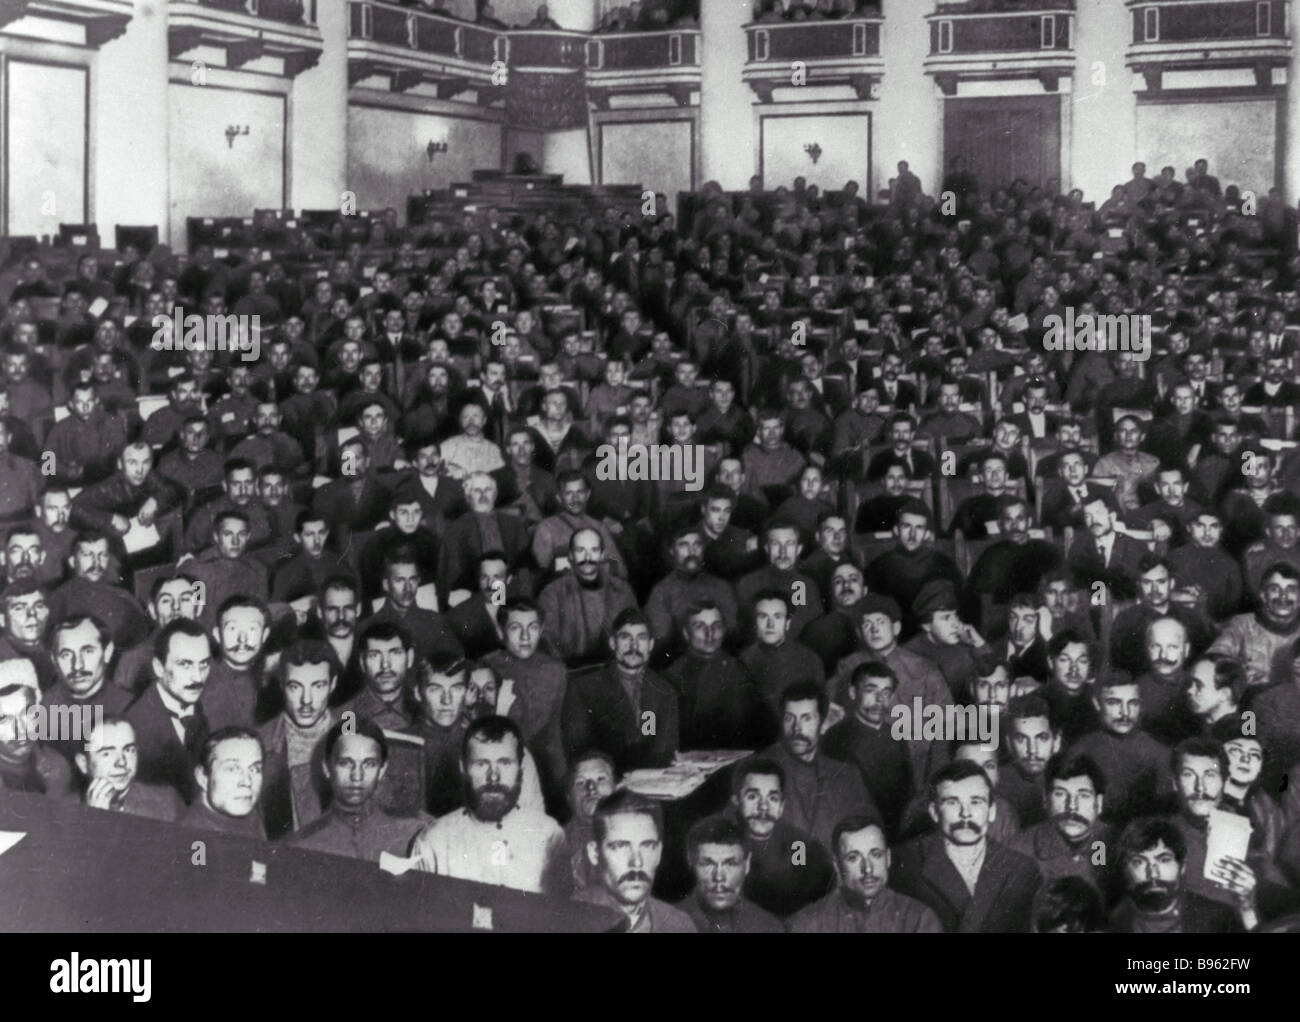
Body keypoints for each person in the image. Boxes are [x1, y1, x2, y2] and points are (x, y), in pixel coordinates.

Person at [411, 715, 568, 894]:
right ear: (463, 768)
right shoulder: (433, 842)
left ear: (521, 768)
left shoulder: (549, 835)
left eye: (505, 763)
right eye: (482, 764)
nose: (494, 776)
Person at [890, 759, 1042, 932]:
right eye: (952, 802)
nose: (966, 814)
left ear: (992, 811)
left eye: (976, 802)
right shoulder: (904, 864)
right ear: (934, 812)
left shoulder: (1022, 869)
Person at [289, 719, 430, 863]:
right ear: (326, 768)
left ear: (381, 770)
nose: (357, 776)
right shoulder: (303, 846)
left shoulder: (415, 836)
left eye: (369, 764)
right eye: (345, 763)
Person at [788, 814, 943, 933]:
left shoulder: (919, 919)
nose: (868, 868)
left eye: (876, 855)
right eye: (853, 858)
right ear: (837, 866)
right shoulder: (806, 924)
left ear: (888, 858)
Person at [573, 789, 697, 932]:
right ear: (594, 853)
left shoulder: (679, 925)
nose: (637, 862)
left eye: (647, 845)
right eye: (620, 846)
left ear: (658, 852)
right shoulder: (565, 922)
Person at [1109, 816, 1250, 932]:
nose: (1153, 873)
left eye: (1164, 860)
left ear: (1182, 866)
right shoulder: (1112, 924)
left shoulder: (1218, 918)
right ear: (1125, 870)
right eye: (1139, 862)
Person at [126, 619, 213, 803]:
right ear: (159, 667)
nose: (198, 677)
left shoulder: (204, 706)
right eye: (185, 664)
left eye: (203, 664)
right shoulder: (134, 727)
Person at [1008, 753, 1109, 890]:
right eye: (1060, 794)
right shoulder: (1017, 851)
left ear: (1099, 802)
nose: (1072, 806)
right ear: (1045, 799)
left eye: (1084, 795)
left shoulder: (1115, 843)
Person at [678, 816, 783, 933]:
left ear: (747, 864)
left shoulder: (770, 927)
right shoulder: (665, 925)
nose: (719, 877)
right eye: (708, 864)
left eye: (730, 864)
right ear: (691, 862)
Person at [75, 714, 183, 821]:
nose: (121, 762)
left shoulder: (166, 802)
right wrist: (94, 820)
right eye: (106, 753)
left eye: (128, 750)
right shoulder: (66, 811)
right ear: (83, 763)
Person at [183, 726, 267, 839]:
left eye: (254, 769)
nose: (247, 782)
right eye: (232, 769)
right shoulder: (191, 837)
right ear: (202, 777)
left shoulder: (252, 816)